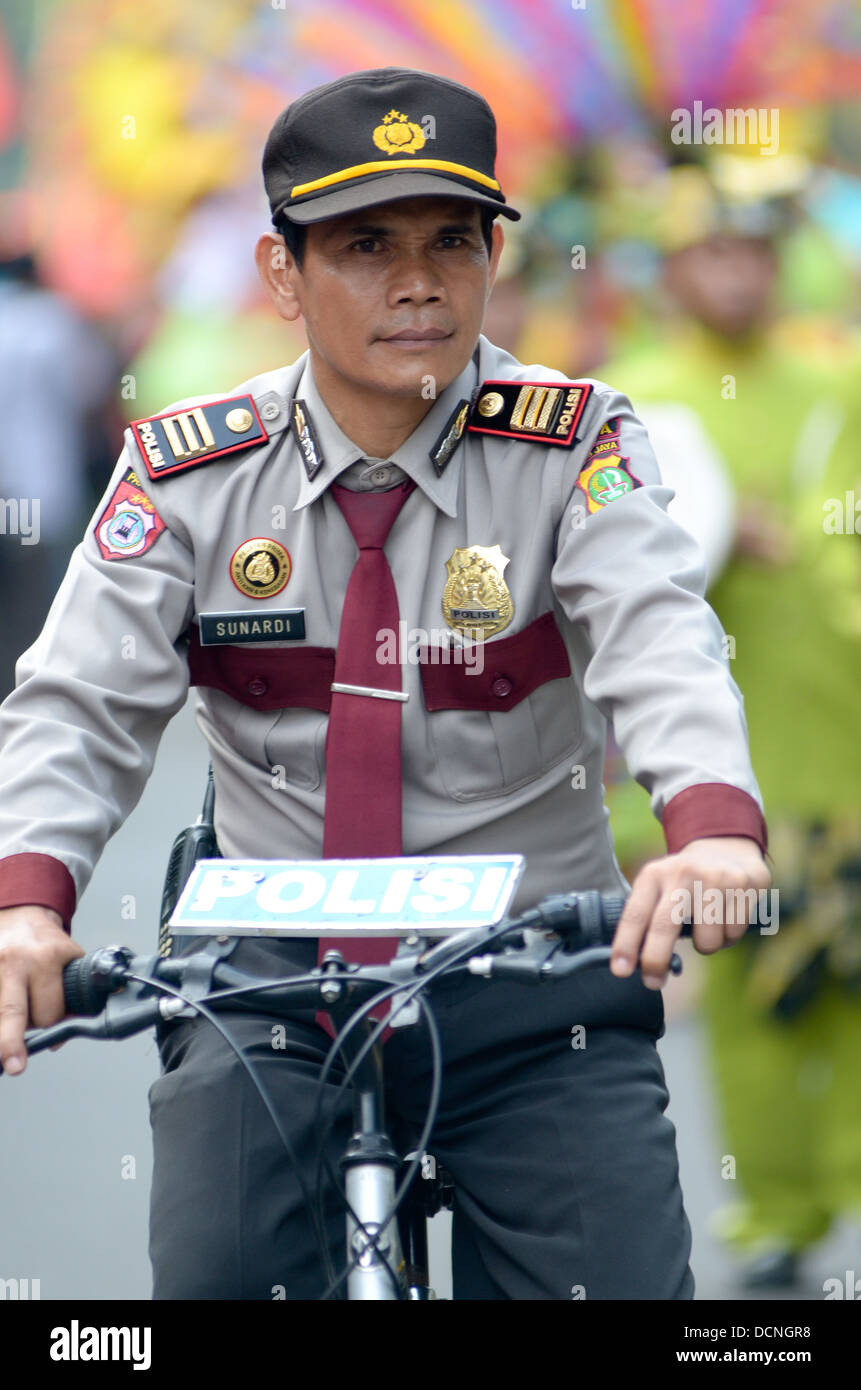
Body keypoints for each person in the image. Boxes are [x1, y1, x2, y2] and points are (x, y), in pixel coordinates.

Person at [0, 67, 770, 1301]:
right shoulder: (186, 478)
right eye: (366, 245)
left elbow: (659, 637)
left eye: (451, 241)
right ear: (281, 273)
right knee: (211, 1280)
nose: (418, 281)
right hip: (273, 982)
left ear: (491, 259)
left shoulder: (580, 446)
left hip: (535, 971)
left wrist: (711, 827)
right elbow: (78, 702)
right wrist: (27, 902)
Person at [596, 163, 861, 1289]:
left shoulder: (834, 380)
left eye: (755, 251)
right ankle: (774, 1221)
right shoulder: (625, 396)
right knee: (758, 1005)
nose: (736, 273)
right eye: (711, 253)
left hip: (842, 736)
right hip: (716, 777)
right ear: (670, 269)